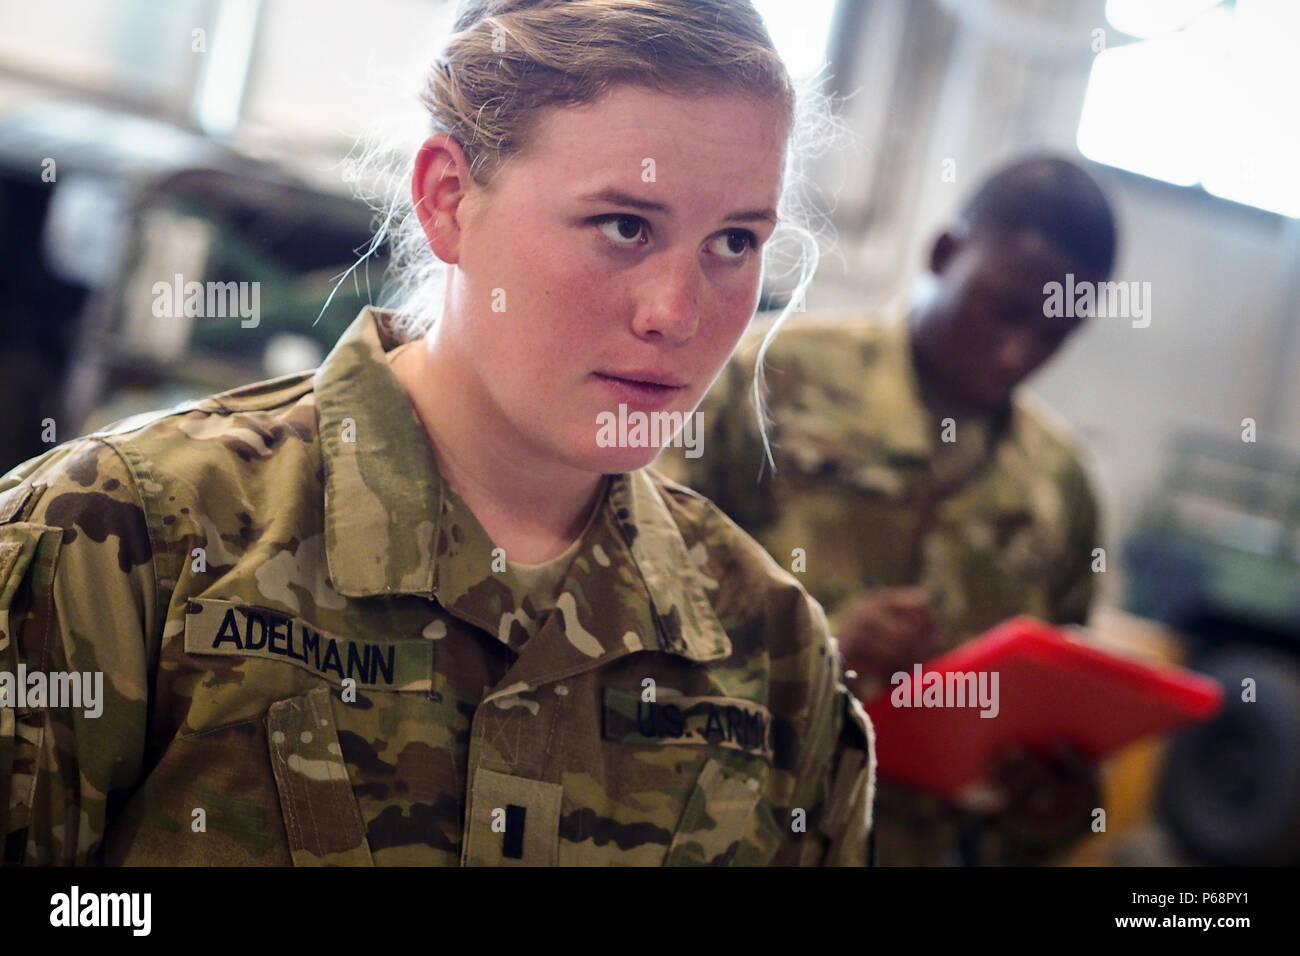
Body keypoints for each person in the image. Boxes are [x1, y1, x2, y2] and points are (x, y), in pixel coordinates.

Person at [0, 0, 874, 866]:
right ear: (448, 199)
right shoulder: (125, 542)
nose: (675, 315)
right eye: (624, 226)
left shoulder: (773, 655)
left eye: (732, 242)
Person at [657, 155, 1116, 865]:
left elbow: (1058, 718)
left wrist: (1056, 795)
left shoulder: (1060, 483)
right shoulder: (768, 375)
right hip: (731, 830)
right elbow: (635, 596)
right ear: (944, 254)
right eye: (1006, 308)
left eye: (1055, 334)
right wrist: (818, 651)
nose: (1018, 350)